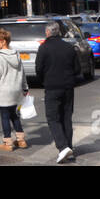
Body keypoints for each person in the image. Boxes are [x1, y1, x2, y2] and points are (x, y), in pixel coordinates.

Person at [35, 22, 81, 163]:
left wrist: (45, 80)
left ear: (48, 33)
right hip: (68, 87)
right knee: (66, 117)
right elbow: (77, 69)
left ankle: (63, 146)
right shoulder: (69, 48)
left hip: (52, 88)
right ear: (59, 32)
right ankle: (68, 147)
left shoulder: (43, 48)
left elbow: (39, 70)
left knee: (53, 118)